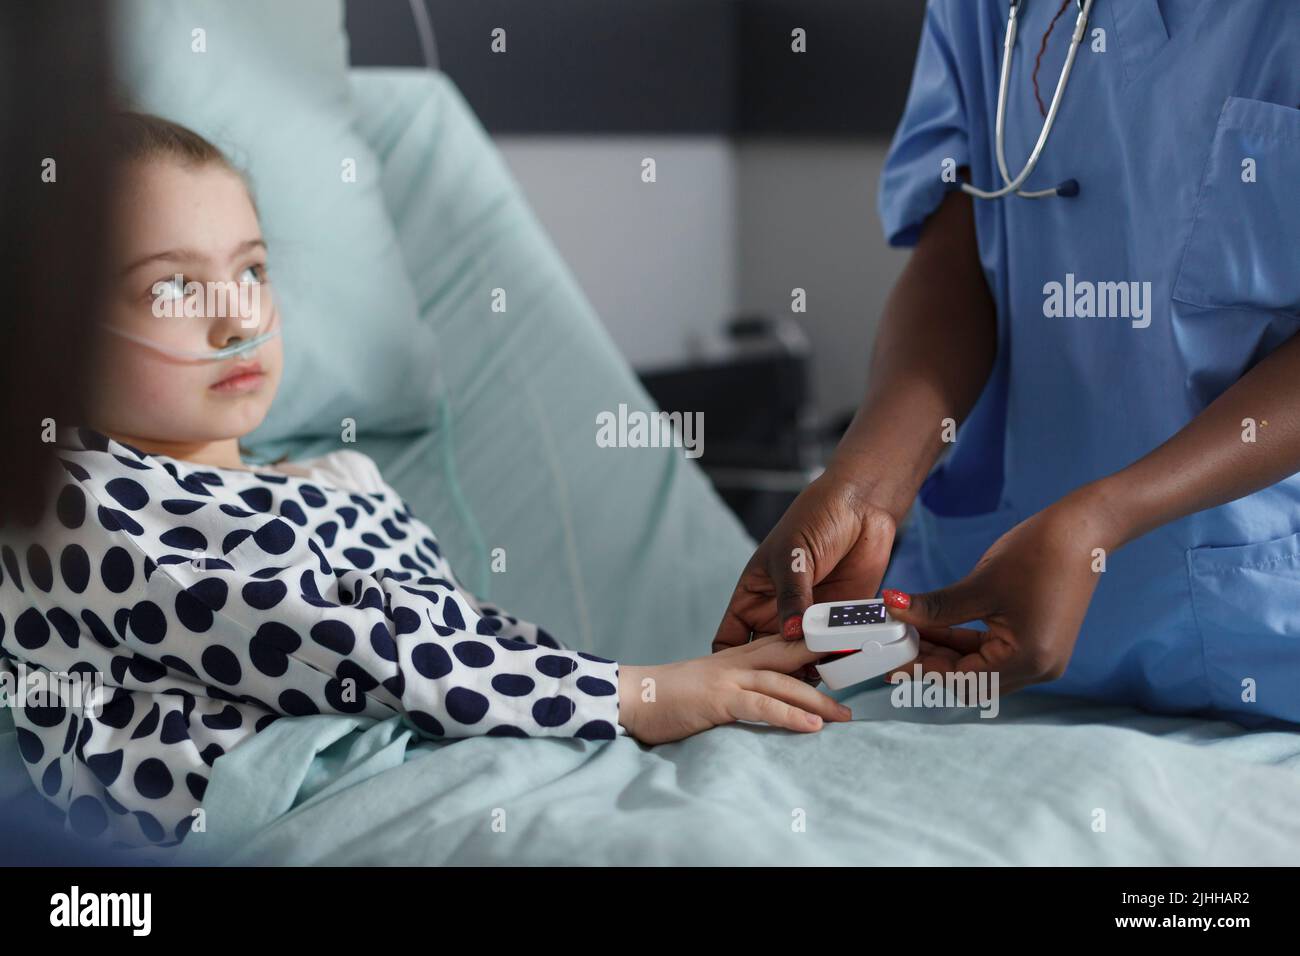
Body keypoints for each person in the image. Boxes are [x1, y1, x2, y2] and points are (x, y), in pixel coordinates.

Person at [0, 113, 850, 850]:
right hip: (305, 799)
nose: (239, 316)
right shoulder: (63, 497)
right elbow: (323, 639)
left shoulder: (342, 481)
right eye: (174, 288)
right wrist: (630, 694)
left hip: (477, 749)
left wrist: (632, 699)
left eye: (253, 270)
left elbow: (458, 636)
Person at [715, 0, 1300, 726]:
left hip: (1266, 645)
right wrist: (865, 486)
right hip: (976, 643)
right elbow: (957, 258)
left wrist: (1101, 522)